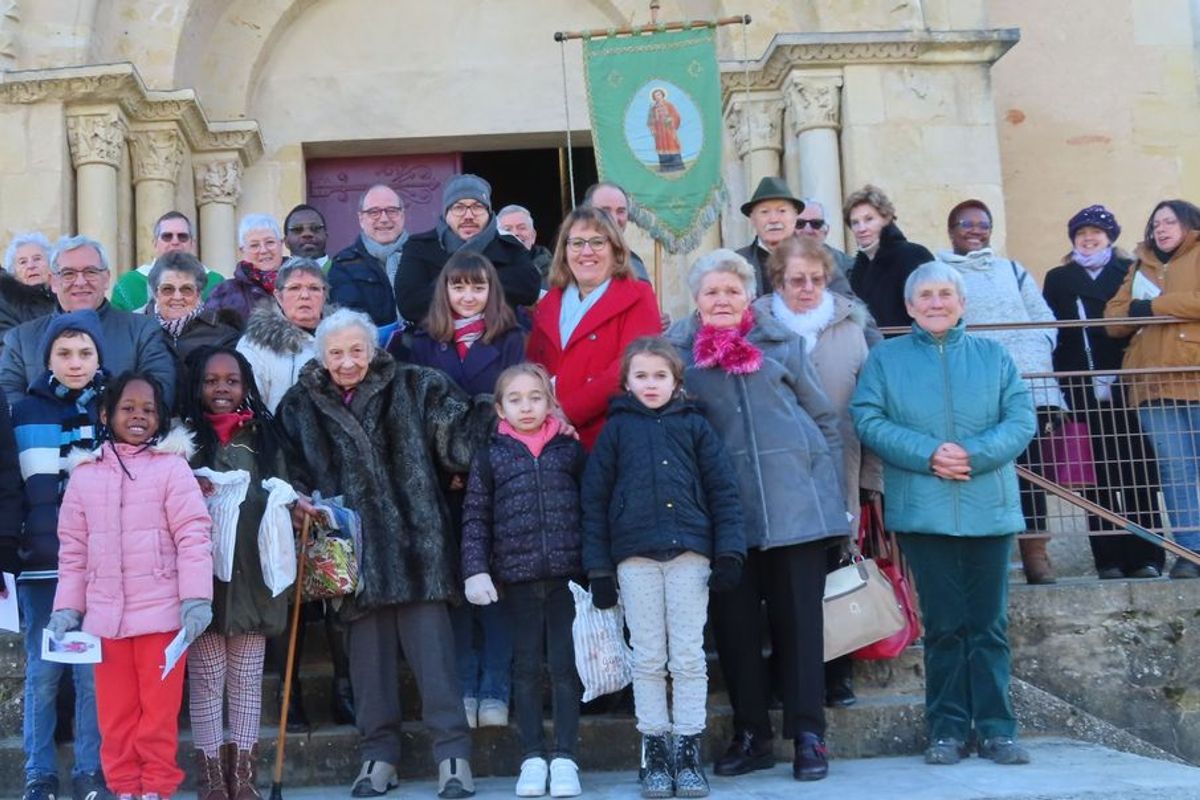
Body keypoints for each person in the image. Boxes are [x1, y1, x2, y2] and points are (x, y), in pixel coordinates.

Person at [276, 309, 494, 799]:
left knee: (435, 662)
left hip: (417, 548)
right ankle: (378, 758)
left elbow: (461, 445)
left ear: (373, 350)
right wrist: (295, 497)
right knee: (367, 670)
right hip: (349, 555)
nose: (348, 361)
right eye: (336, 353)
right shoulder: (299, 405)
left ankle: (453, 758)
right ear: (321, 355)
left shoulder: (417, 386)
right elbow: (287, 469)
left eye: (357, 350)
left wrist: (499, 411)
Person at [663, 249, 848, 783]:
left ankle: (809, 734)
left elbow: (823, 419)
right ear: (696, 300)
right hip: (725, 520)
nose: (722, 300)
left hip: (797, 508)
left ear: (749, 296)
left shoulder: (781, 343)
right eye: (712, 292)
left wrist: (833, 499)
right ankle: (751, 735)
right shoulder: (677, 353)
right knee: (736, 631)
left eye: (732, 291)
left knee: (801, 627)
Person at [851, 261, 1037, 767]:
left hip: (989, 509)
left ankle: (998, 728)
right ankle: (947, 729)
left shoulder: (994, 357)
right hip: (924, 511)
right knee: (944, 625)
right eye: (925, 296)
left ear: (961, 303)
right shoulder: (887, 360)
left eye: (944, 294)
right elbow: (867, 417)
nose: (936, 303)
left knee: (989, 625)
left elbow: (1021, 418)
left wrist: (973, 455)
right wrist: (928, 453)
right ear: (910, 307)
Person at [581, 338, 745, 799]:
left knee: (688, 657)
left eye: (660, 376)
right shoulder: (616, 432)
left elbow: (723, 491)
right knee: (649, 656)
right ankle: (655, 750)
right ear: (626, 382)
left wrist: (730, 552)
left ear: (676, 381)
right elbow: (594, 502)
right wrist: (598, 569)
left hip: (690, 555)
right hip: (635, 559)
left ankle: (688, 750)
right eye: (641, 376)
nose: (650, 384)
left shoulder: (695, 427)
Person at [48, 372, 214, 800]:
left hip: (161, 619)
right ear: (106, 414)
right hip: (107, 622)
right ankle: (123, 788)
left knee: (157, 717)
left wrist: (196, 599)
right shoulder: (85, 476)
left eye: (149, 410)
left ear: (160, 419)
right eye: (128, 408)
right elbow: (73, 551)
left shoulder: (172, 469)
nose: (138, 416)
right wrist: (68, 608)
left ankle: (157, 790)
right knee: (116, 716)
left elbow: (193, 535)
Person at [182, 347, 309, 800]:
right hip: (204, 580)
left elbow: (284, 486)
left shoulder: (263, 436)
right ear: (196, 385)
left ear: (245, 385)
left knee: (247, 678)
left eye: (231, 381)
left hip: (254, 576)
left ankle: (243, 778)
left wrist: (297, 504)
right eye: (211, 381)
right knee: (207, 678)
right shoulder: (182, 440)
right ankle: (212, 779)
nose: (221, 389)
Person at [761, 235, 881, 707]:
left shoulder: (852, 326)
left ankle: (838, 672)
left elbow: (872, 403)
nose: (807, 288)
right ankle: (784, 670)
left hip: (838, 466)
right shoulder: (759, 326)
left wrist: (872, 477)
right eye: (796, 280)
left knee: (836, 569)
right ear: (777, 280)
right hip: (778, 472)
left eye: (816, 279)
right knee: (781, 579)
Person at [406, 252, 524, 730]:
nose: (468, 296)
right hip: (438, 485)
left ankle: (495, 686)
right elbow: (412, 412)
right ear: (445, 291)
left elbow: (516, 406)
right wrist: (448, 465)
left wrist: (477, 467)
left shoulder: (512, 340)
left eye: (477, 287)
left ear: (491, 292)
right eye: (458, 287)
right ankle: (464, 687)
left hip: (497, 479)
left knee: (495, 586)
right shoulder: (419, 342)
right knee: (453, 588)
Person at [460, 363, 586, 799]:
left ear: (551, 402)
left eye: (536, 397)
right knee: (527, 668)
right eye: (515, 399)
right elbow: (476, 515)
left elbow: (590, 508)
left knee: (567, 669)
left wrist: (598, 569)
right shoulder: (491, 456)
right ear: (500, 408)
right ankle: (533, 755)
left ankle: (566, 757)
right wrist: (475, 568)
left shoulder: (569, 451)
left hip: (568, 580)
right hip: (517, 580)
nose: (526, 407)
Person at [934, 199, 1065, 584]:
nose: (975, 230)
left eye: (982, 224)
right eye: (965, 224)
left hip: (1028, 386)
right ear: (951, 230)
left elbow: (1043, 317)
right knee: (977, 470)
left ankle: (1035, 554)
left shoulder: (1013, 270)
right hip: (975, 388)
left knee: (1032, 474)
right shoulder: (941, 272)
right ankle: (983, 559)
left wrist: (1036, 345)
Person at [7, 311, 106, 800]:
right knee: (44, 673)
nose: (75, 363)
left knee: (90, 675)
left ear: (98, 358)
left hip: (100, 568)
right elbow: (11, 488)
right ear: (47, 358)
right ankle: (39, 772)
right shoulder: (23, 411)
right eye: (64, 354)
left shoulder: (112, 408)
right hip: (43, 566)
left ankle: (91, 769)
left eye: (85, 353)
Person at [1043, 204, 1164, 579]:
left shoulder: (1129, 272)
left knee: (1138, 474)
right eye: (1081, 233)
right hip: (1080, 389)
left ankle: (1148, 557)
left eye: (1096, 232)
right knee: (1096, 479)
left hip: (1127, 386)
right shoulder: (1059, 278)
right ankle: (1108, 560)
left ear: (1111, 236)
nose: (1089, 238)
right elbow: (1054, 333)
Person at [1105, 199, 1200, 579]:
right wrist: (1140, 311)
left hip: (1194, 375)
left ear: (1189, 224)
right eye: (1155, 223)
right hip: (1152, 383)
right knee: (1175, 470)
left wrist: (1153, 306)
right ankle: (1189, 552)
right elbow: (1112, 320)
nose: (1160, 229)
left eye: (1169, 221)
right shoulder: (1137, 265)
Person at [527, 207, 661, 450]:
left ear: (616, 250)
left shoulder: (638, 295)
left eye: (597, 242)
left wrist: (568, 412)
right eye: (576, 243)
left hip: (611, 436)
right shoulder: (548, 303)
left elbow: (632, 366)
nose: (586, 252)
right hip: (551, 438)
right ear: (564, 251)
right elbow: (532, 367)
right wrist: (543, 415)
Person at [0, 235, 177, 409]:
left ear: (106, 278)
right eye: (68, 274)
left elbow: (159, 392)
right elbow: (9, 401)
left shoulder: (142, 330)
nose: (80, 282)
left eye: (90, 272)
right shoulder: (21, 339)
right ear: (53, 281)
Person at [395, 174, 541, 324]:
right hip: (436, 341)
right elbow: (410, 304)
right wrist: (486, 286)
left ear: (489, 212)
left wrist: (448, 287)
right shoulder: (419, 247)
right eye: (459, 207)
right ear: (446, 213)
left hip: (500, 340)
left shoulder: (509, 246)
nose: (469, 215)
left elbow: (528, 290)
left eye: (477, 207)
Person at [145, 252, 241, 407]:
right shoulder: (138, 331)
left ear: (199, 293)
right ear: (156, 294)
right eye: (167, 289)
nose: (177, 297)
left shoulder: (223, 335)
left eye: (186, 289)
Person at [845, 184, 934, 329]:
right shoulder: (859, 268)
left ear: (886, 218)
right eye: (855, 222)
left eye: (869, 219)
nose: (862, 228)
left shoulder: (914, 256)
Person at [111, 211, 224, 312]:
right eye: (167, 236)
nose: (175, 242)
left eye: (182, 237)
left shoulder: (217, 283)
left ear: (192, 244)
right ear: (155, 243)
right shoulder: (128, 284)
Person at [329, 186, 407, 326]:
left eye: (392, 211)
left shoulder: (423, 253)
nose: (384, 219)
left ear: (402, 215)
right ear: (361, 219)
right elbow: (348, 319)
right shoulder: (344, 264)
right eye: (374, 212)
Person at [205, 214, 286, 328]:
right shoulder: (224, 293)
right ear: (242, 250)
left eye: (270, 242)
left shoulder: (302, 282)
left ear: (281, 244)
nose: (263, 250)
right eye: (254, 245)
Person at [581, 182, 651, 282]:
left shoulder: (634, 265)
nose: (614, 218)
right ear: (586, 214)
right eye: (605, 211)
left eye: (621, 211)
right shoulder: (572, 260)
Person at [0, 232, 57, 341]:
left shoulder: (65, 297)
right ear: (14, 273)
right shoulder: (5, 303)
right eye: (23, 262)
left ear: (51, 264)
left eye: (37, 259)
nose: (31, 266)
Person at [795, 198, 855, 279]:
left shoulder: (847, 267)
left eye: (816, 224)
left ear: (826, 230)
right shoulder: (779, 263)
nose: (807, 230)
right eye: (800, 223)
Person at [497, 204, 552, 286]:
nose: (515, 233)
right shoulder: (487, 271)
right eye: (507, 229)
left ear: (533, 235)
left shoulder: (556, 272)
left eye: (522, 228)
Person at [284, 204, 331, 271]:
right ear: (286, 242)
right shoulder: (278, 278)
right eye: (297, 229)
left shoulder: (345, 274)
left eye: (315, 228)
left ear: (326, 236)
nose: (307, 234)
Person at [647, 88, 683, 172]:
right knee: (661, 146)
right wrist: (653, 128)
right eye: (655, 95)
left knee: (672, 144)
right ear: (653, 97)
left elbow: (676, 116)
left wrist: (670, 120)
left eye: (659, 94)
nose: (657, 97)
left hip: (668, 129)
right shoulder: (653, 108)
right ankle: (665, 167)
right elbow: (650, 121)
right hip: (659, 131)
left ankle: (677, 166)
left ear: (662, 95)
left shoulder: (669, 105)